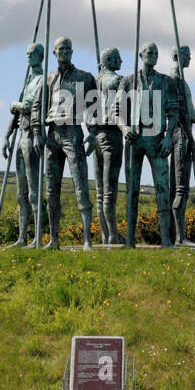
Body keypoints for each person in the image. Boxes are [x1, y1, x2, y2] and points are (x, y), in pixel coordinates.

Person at [118, 42, 179, 247]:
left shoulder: (166, 81)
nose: (152, 56)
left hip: (157, 139)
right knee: (132, 189)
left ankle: (165, 239)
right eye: (149, 53)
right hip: (135, 139)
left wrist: (168, 136)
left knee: (162, 189)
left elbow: (173, 111)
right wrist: (125, 129)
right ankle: (129, 239)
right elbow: (116, 112)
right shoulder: (128, 82)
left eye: (155, 53)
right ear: (141, 55)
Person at [41, 36, 96, 250]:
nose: (65, 52)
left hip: (73, 132)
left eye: (68, 48)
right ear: (54, 53)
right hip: (52, 133)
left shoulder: (85, 77)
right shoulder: (49, 79)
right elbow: (41, 108)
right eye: (60, 49)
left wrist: (92, 132)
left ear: (72, 51)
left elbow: (94, 109)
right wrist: (38, 131)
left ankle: (87, 240)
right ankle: (53, 239)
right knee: (50, 190)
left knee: (80, 186)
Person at [1, 43, 46, 247]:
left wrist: (14, 104)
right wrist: (7, 135)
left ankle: (37, 236)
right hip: (20, 137)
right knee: (20, 194)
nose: (28, 57)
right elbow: (18, 113)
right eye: (26, 54)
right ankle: (21, 237)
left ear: (40, 56)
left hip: (31, 137)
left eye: (32, 54)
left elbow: (28, 106)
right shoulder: (28, 81)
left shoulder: (43, 81)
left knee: (33, 191)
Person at [85, 47, 125, 245]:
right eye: (118, 58)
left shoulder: (93, 81)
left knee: (100, 191)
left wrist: (91, 132)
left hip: (96, 136)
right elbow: (124, 110)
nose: (121, 62)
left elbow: (88, 112)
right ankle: (112, 236)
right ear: (109, 60)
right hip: (113, 135)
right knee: (110, 190)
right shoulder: (118, 81)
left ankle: (104, 234)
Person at [169, 44, 195, 245]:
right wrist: (189, 136)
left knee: (181, 188)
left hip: (184, 133)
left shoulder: (182, 79)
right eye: (186, 55)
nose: (190, 58)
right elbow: (179, 112)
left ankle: (178, 235)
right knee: (181, 188)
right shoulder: (175, 80)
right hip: (181, 134)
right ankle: (179, 237)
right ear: (176, 56)